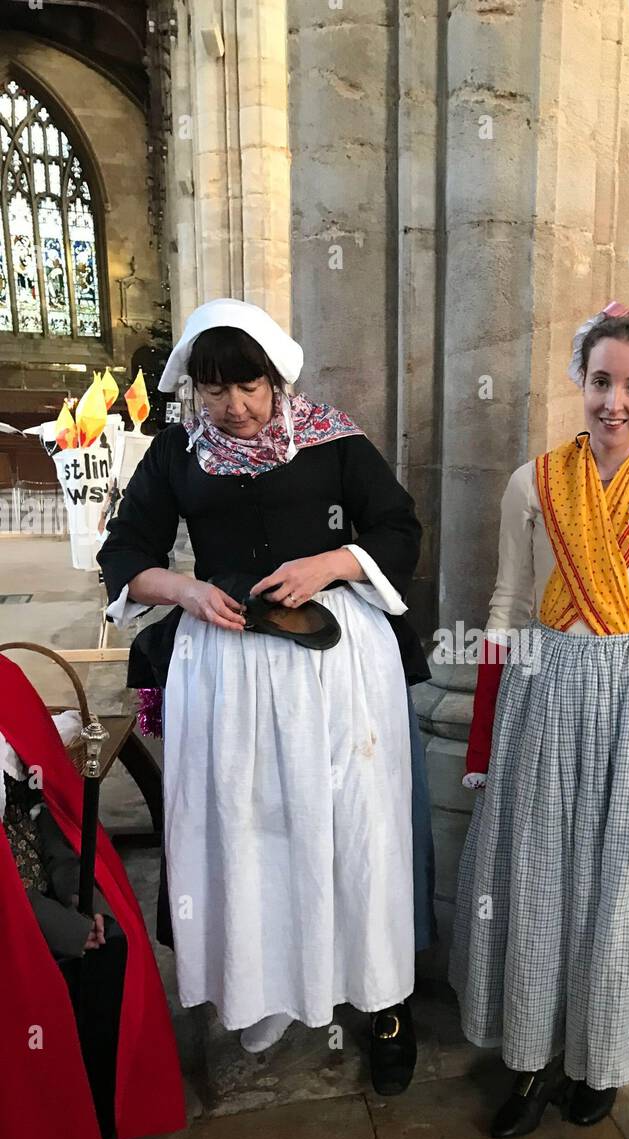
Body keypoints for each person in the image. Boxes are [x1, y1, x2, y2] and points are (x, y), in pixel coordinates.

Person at [97, 298, 433, 1094]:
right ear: (193, 389)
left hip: (336, 666)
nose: (235, 407)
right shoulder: (177, 449)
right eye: (215, 391)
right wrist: (180, 589)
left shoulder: (333, 437)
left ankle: (384, 1005)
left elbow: (398, 530)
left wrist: (332, 562)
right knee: (251, 825)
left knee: (353, 824)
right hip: (228, 666)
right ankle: (263, 986)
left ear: (275, 375)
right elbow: (125, 552)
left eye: (247, 385)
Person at [450, 301, 629, 1137]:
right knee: (534, 880)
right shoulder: (530, 483)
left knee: (615, 892)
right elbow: (503, 602)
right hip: (541, 688)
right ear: (580, 379)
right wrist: (482, 729)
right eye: (601, 380)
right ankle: (529, 1061)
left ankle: (599, 1058)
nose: (614, 401)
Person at [0, 655, 185, 1139]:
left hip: (41, 896)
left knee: (118, 945)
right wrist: (61, 928)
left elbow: (42, 808)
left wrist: (81, 892)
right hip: (17, 929)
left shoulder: (6, 682)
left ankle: (100, 1114)